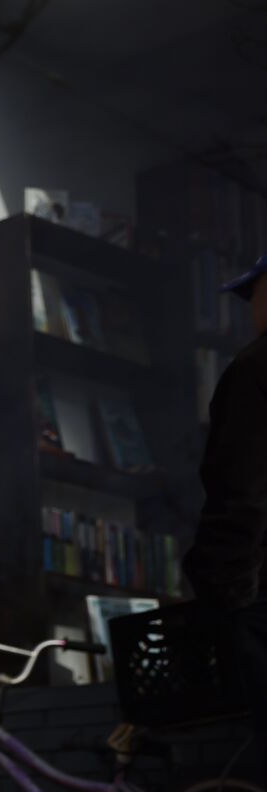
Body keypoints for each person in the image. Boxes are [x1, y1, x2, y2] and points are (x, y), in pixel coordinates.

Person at [185, 252, 267, 766]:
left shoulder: (255, 371)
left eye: (254, 294)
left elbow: (243, 498)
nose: (250, 309)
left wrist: (222, 594)